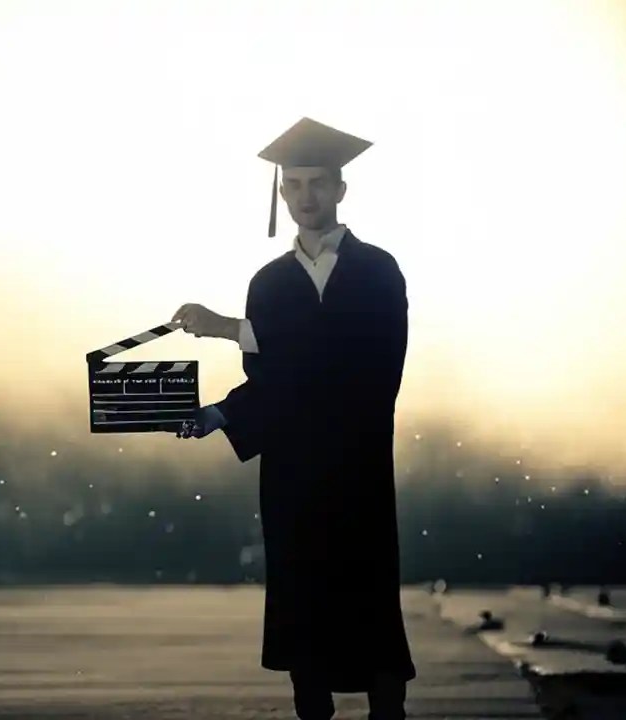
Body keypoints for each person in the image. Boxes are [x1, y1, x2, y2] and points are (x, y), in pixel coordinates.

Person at [172, 117, 416, 720]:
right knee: (304, 605)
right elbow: (273, 381)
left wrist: (231, 329)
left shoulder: (378, 272)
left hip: (355, 462)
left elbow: (359, 362)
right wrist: (219, 413)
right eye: (295, 186)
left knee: (367, 602)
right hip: (292, 472)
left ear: (340, 190)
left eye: (317, 185)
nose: (306, 197)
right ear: (283, 194)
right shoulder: (270, 283)